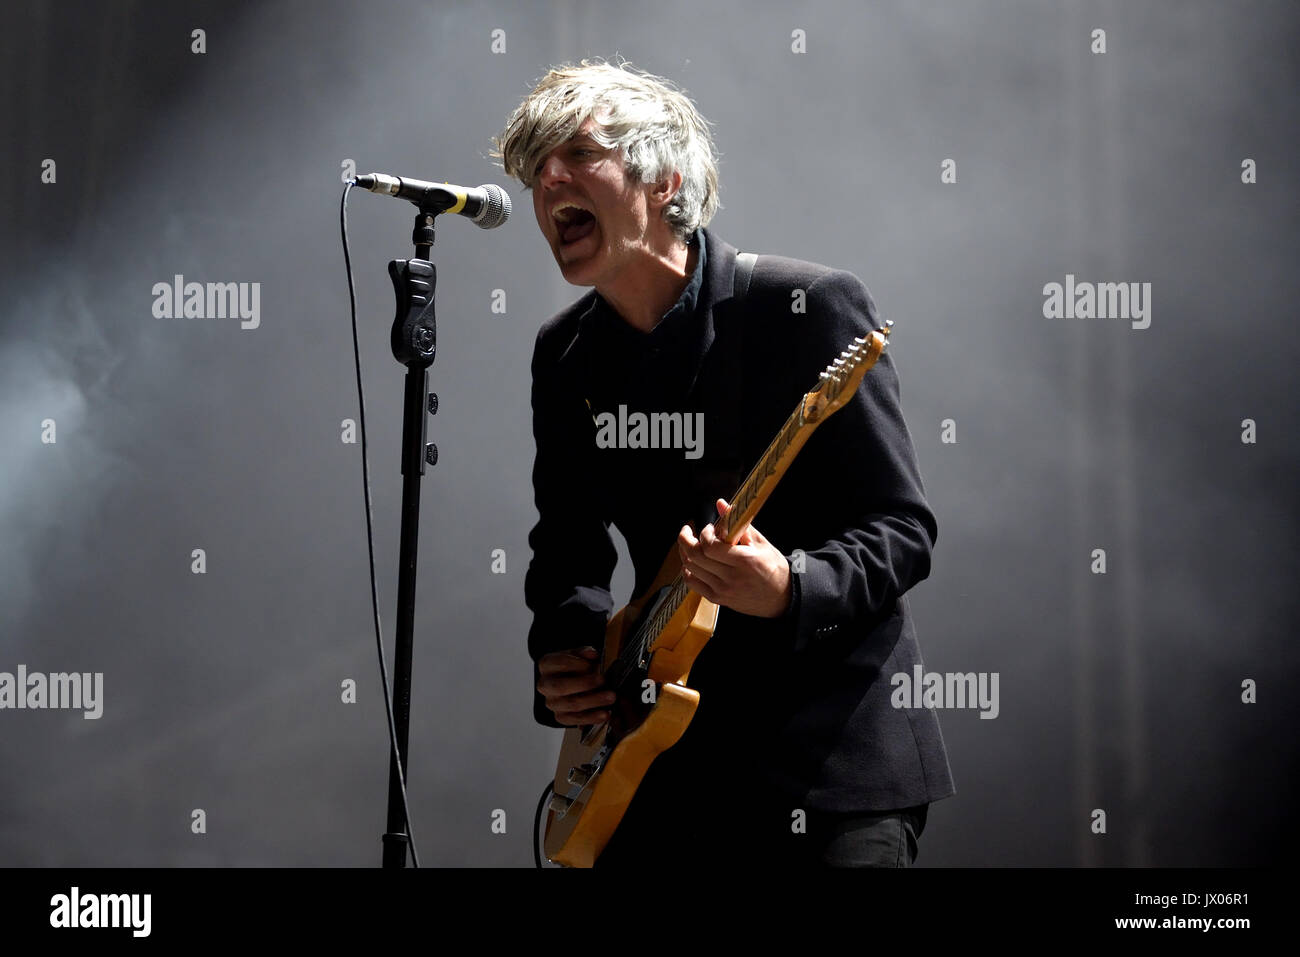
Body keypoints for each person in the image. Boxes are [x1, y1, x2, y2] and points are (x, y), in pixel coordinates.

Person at [493, 58, 954, 867]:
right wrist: (566, 651)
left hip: (828, 764)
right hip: (663, 769)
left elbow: (902, 526)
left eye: (575, 154)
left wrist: (792, 586)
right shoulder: (564, 353)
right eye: (536, 167)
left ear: (665, 179)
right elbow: (565, 543)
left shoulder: (802, 307)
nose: (547, 180)